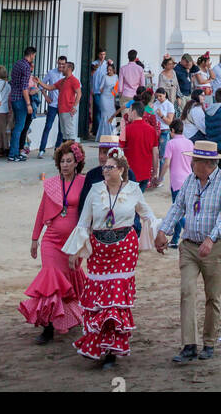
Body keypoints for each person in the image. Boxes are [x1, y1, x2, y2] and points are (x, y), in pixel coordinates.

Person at [64, 150, 152, 367]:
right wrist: (75, 251)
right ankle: (97, 344)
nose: (105, 170)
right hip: (99, 252)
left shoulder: (133, 190)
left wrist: (158, 234)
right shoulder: (95, 190)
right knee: (99, 300)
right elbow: (84, 222)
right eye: (104, 167)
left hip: (124, 250)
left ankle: (112, 350)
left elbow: (147, 214)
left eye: (110, 167)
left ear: (121, 170)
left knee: (114, 299)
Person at [154, 140, 221, 364]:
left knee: (213, 297)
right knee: (187, 292)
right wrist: (164, 231)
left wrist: (211, 238)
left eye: (195, 160)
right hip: (189, 246)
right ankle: (189, 344)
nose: (190, 163)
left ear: (207, 164)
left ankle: (209, 342)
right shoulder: (190, 181)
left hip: (214, 248)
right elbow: (178, 207)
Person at [21, 141, 87, 343]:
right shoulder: (51, 184)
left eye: (69, 161)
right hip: (51, 240)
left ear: (77, 163)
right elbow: (42, 212)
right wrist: (34, 239)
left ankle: (69, 318)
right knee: (50, 279)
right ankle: (47, 328)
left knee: (68, 281)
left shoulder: (84, 183)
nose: (65, 164)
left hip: (73, 242)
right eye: (62, 161)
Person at [120, 102, 159, 234]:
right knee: (137, 201)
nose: (128, 114)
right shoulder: (151, 130)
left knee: (131, 204)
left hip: (129, 175)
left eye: (130, 111)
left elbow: (119, 151)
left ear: (134, 112)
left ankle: (135, 230)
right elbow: (155, 153)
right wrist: (155, 172)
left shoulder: (127, 129)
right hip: (144, 174)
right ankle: (136, 230)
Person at [158, 118, 195, 246]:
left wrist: (160, 177)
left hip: (177, 182)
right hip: (189, 180)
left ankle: (193, 233)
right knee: (184, 210)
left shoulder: (171, 143)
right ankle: (174, 240)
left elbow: (166, 163)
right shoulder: (190, 143)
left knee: (178, 212)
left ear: (172, 130)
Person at [77, 133, 121, 214]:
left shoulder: (127, 174)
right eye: (100, 152)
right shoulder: (92, 175)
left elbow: (136, 206)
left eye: (105, 153)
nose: (101, 156)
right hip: (96, 224)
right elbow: (83, 205)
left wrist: (135, 226)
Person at [8, 46, 36, 162]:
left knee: (17, 127)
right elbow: (24, 87)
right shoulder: (25, 66)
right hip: (21, 99)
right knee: (19, 127)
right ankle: (13, 154)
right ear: (31, 55)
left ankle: (14, 152)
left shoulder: (17, 64)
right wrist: (28, 104)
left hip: (14, 98)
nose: (34, 58)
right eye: (34, 56)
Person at [38, 56, 67, 158]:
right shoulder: (51, 73)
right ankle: (41, 149)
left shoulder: (67, 75)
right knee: (48, 126)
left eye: (63, 64)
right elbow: (41, 85)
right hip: (52, 105)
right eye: (59, 63)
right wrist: (46, 97)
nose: (61, 66)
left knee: (61, 129)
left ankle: (57, 150)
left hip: (63, 105)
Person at [95, 62, 119, 139]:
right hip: (104, 97)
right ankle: (104, 135)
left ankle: (112, 134)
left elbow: (117, 87)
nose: (109, 71)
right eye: (108, 70)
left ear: (114, 70)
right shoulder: (104, 76)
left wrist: (114, 91)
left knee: (112, 114)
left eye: (110, 70)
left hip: (112, 97)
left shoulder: (116, 77)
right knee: (105, 115)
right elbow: (100, 88)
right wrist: (105, 89)